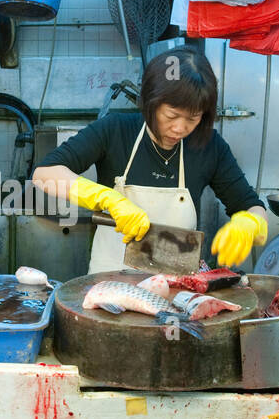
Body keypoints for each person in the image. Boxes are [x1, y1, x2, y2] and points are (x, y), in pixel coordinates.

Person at [32, 47, 266, 274]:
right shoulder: (115, 130)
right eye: (171, 116)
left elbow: (253, 206)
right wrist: (107, 199)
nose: (180, 128)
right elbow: (44, 174)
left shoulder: (209, 145)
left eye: (193, 118)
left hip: (177, 289)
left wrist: (250, 224)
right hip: (110, 285)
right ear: (151, 102)